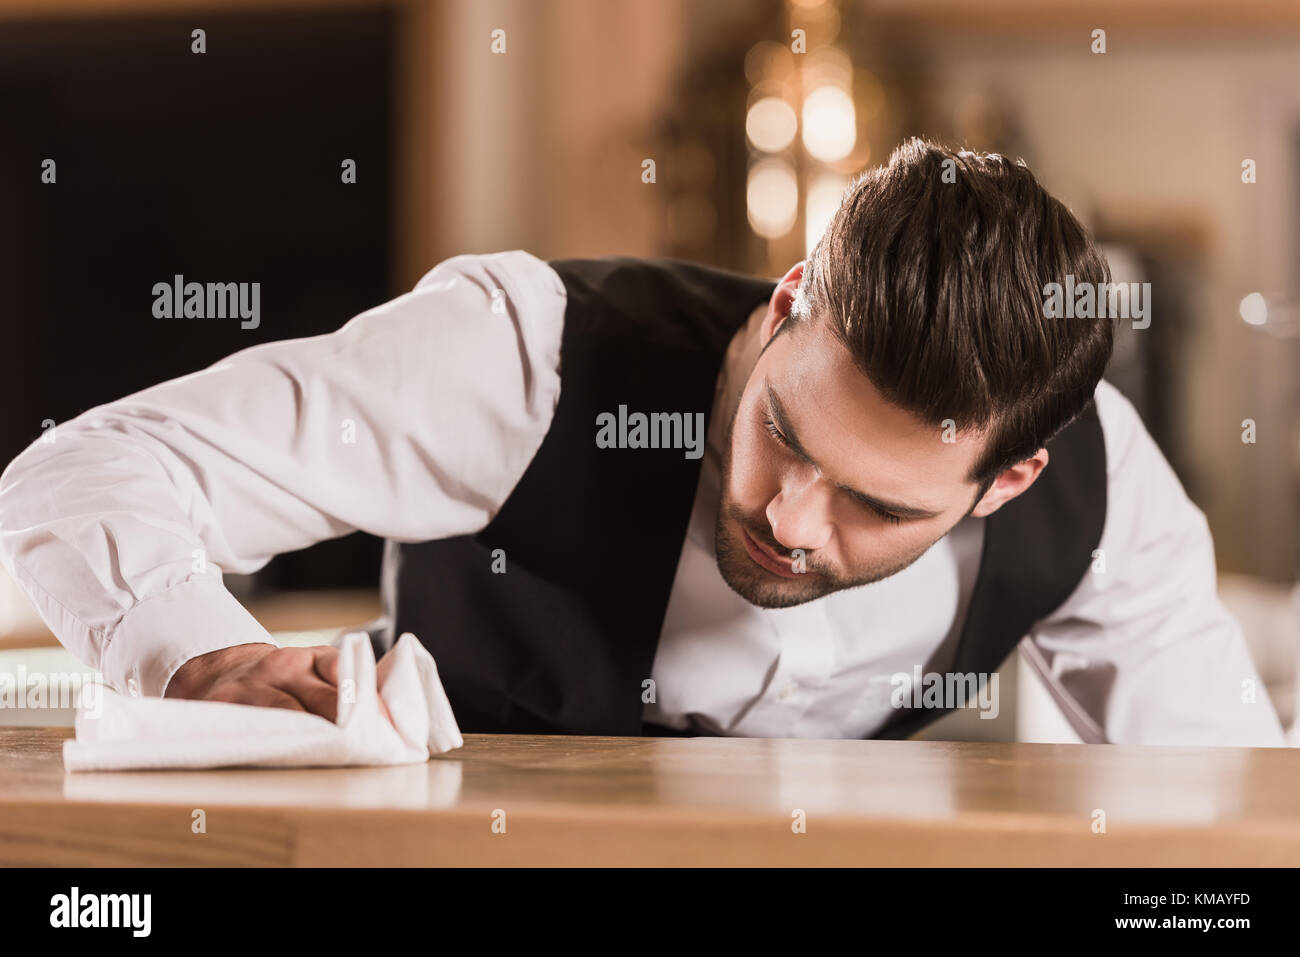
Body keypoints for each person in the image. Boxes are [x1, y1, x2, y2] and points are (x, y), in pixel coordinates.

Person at [0, 139, 1284, 745]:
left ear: (1006, 481)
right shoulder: (525, 356)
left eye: (876, 508)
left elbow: (1229, 811)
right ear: (786, 304)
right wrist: (195, 655)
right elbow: (85, 465)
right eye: (784, 432)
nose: (787, 516)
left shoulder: (1106, 492)